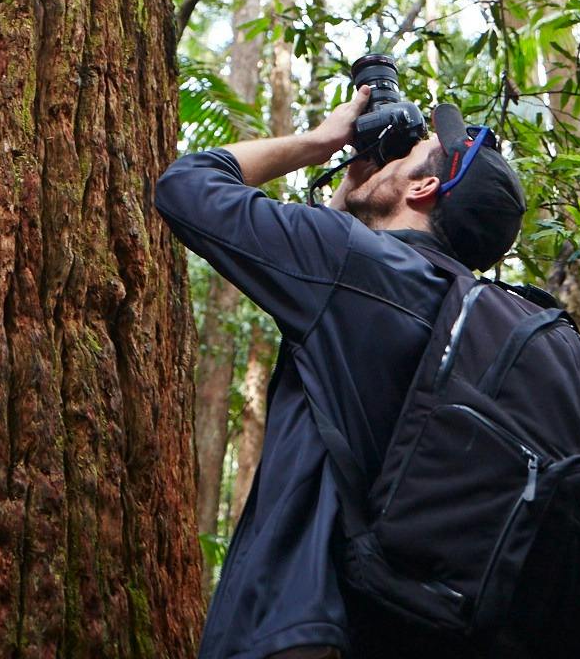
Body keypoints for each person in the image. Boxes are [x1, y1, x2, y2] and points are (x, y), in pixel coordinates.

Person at [154, 84, 527, 659]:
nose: (387, 154)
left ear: (425, 187)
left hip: (302, 627)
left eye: (408, 152)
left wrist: (317, 142)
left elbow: (187, 185)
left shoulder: (355, 267)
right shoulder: (477, 323)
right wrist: (351, 199)